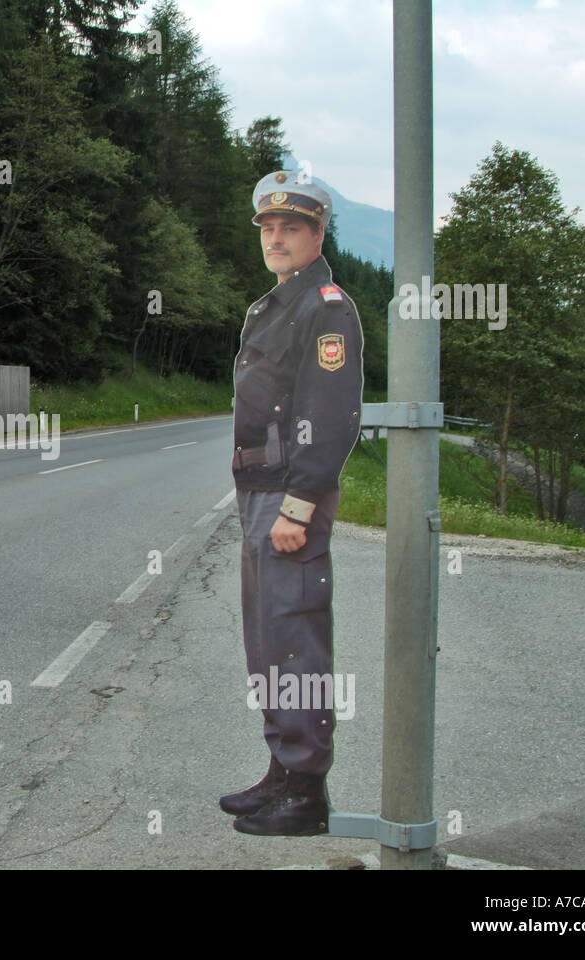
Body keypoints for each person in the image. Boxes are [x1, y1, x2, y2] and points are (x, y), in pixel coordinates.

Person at [219, 171, 364, 836]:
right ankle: (282, 768)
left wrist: (300, 504)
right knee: (270, 641)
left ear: (318, 234)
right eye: (269, 228)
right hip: (261, 491)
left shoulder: (326, 307)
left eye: (293, 228)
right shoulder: (273, 305)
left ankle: (305, 791)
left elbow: (330, 416)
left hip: (288, 496)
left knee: (296, 638)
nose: (277, 237)